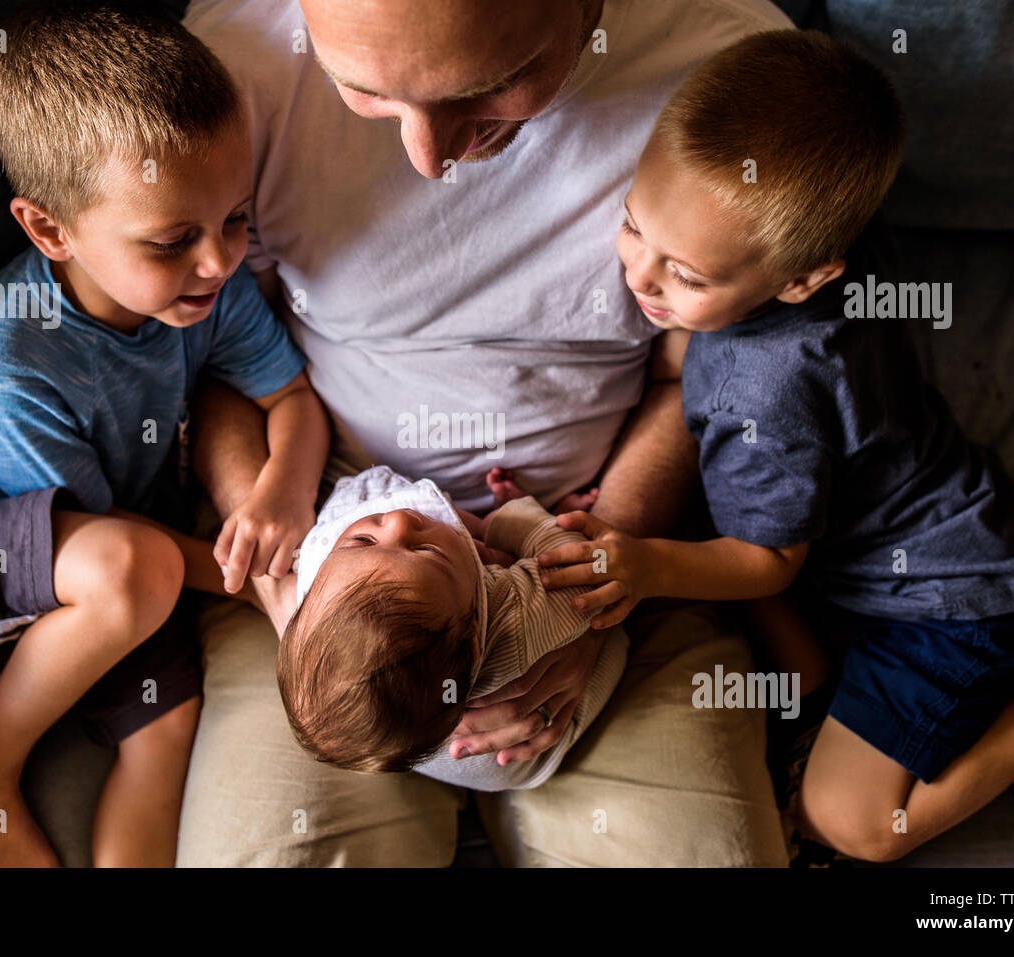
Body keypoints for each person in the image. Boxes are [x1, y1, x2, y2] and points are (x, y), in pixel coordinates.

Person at [180, 0, 795, 866]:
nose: (426, 159)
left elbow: (698, 382)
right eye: (361, 89)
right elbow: (210, 369)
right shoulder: (232, 65)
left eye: (491, 88)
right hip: (304, 590)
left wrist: (589, 594)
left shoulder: (735, 79)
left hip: (618, 557)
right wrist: (300, 594)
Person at [536, 29, 1014, 860]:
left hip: (950, 602)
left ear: (804, 281)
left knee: (855, 827)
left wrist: (646, 563)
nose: (641, 277)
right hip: (874, 535)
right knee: (790, 686)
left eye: (687, 276)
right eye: (633, 226)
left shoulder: (758, 394)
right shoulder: (834, 247)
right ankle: (842, 705)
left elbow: (770, 565)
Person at [0, 3, 328, 867]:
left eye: (234, 218)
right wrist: (261, 586)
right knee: (130, 570)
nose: (221, 262)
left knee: (168, 716)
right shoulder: (8, 355)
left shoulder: (202, 289)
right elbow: (98, 538)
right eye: (173, 238)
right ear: (49, 230)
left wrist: (283, 492)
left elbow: (292, 393)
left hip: (120, 548)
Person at [277, 465, 629, 790]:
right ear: (476, 632)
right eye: (427, 550)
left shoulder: (323, 579)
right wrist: (509, 523)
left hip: (434, 737)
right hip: (534, 751)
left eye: (363, 541)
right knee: (609, 629)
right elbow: (584, 573)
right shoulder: (516, 617)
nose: (397, 520)